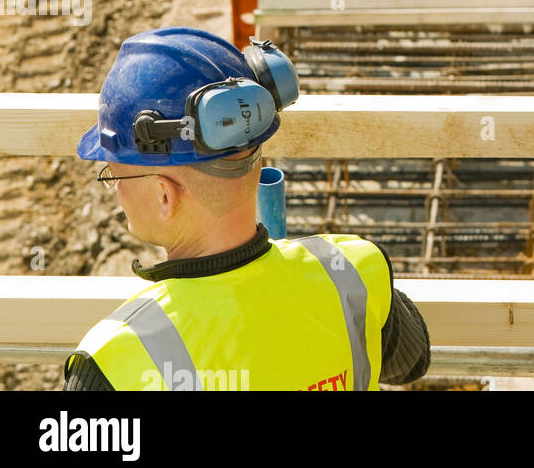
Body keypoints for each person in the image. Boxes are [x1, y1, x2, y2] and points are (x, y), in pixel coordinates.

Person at [66, 28, 431, 391]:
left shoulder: (116, 361)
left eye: (113, 175)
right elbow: (409, 364)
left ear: (165, 196)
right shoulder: (353, 273)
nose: (115, 190)